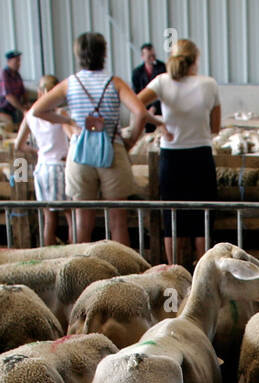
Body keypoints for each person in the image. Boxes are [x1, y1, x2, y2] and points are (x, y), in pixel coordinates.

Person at [31, 32, 167, 247]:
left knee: (82, 221)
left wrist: (69, 122)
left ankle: (79, 274)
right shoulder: (115, 83)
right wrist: (130, 140)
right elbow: (140, 112)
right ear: (103, 54)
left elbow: (38, 110)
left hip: (80, 153)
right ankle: (121, 272)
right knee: (117, 221)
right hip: (112, 150)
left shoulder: (70, 84)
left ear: (78, 54)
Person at [137, 38, 219, 267]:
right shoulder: (209, 84)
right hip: (200, 156)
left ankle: (174, 272)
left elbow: (135, 103)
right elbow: (216, 127)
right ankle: (202, 272)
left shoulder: (162, 82)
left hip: (172, 157)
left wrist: (158, 123)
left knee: (172, 215)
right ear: (196, 59)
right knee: (202, 215)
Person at [14, 75, 68, 244]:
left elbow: (18, 145)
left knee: (49, 218)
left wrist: (37, 151)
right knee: (71, 215)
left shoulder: (30, 115)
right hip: (60, 167)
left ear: (39, 92)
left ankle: (49, 259)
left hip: (42, 168)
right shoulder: (60, 114)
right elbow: (73, 137)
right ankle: (74, 256)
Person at [131, 43, 165, 115]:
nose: (152, 58)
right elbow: (136, 93)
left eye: (153, 56)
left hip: (160, 107)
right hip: (143, 108)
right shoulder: (137, 73)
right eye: (149, 56)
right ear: (142, 57)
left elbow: (163, 90)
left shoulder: (163, 68)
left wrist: (154, 108)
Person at [0, 49, 26, 121]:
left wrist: (26, 104)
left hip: (14, 108)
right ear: (9, 62)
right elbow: (9, 96)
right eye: (16, 61)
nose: (18, 64)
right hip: (1, 110)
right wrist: (23, 110)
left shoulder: (17, 75)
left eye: (19, 61)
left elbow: (23, 92)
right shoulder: (3, 74)